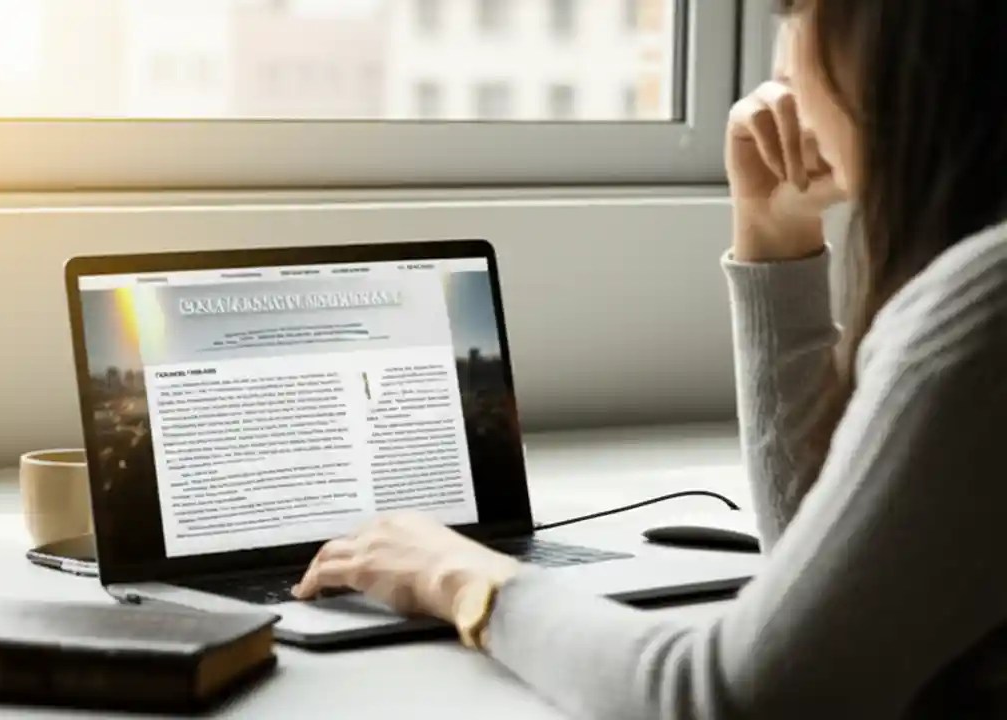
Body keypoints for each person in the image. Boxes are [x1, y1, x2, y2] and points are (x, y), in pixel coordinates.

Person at [292, 0, 1007, 716]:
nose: (784, 66)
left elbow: (730, 698)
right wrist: (772, 231)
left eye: (795, 12)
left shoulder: (983, 309)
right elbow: (827, 579)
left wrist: (459, 578)